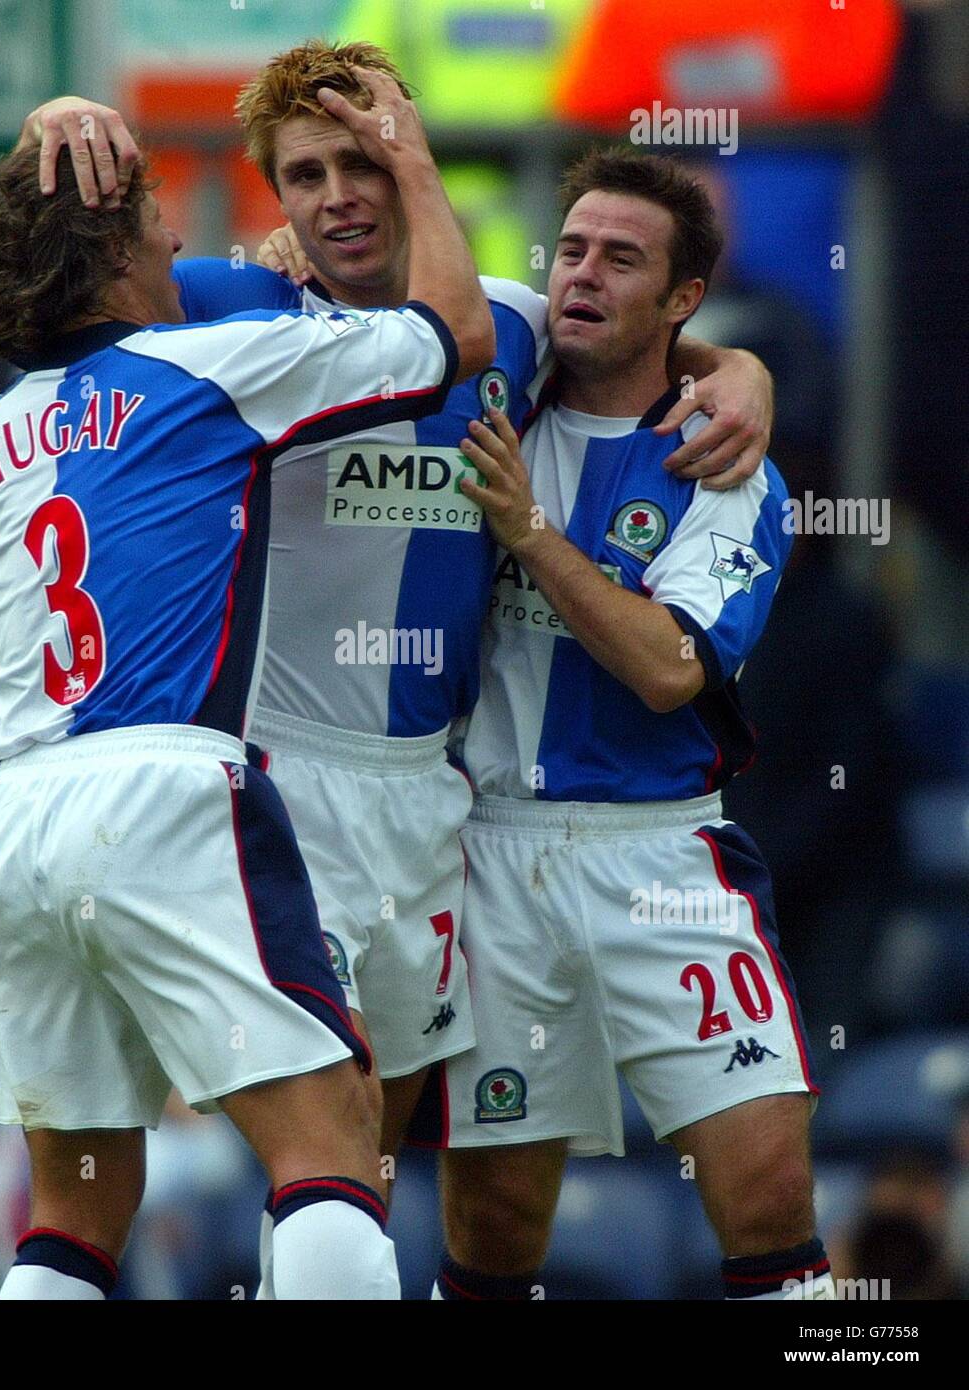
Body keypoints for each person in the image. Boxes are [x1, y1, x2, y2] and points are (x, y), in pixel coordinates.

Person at [17, 40, 775, 1296]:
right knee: (285, 1146)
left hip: (425, 798)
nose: (338, 196)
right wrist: (50, 118)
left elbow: (646, 339)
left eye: (364, 160)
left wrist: (733, 375)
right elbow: (31, 296)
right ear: (275, 196)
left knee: (354, 1167)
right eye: (304, 172)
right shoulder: (217, 306)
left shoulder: (513, 324)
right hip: (260, 780)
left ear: (414, 161)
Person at [0, 68, 494, 1300]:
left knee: (74, 1205)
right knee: (331, 1149)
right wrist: (409, 159)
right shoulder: (213, 365)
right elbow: (457, 337)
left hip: (15, 817)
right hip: (167, 786)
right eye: (148, 220)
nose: (178, 233)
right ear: (108, 254)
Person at [422, 148, 832, 1301]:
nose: (580, 275)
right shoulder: (489, 390)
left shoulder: (722, 464)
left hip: (659, 854)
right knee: (495, 1227)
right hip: (490, 852)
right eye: (570, 249)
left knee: (763, 1197)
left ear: (682, 297)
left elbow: (666, 668)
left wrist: (531, 533)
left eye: (621, 257)